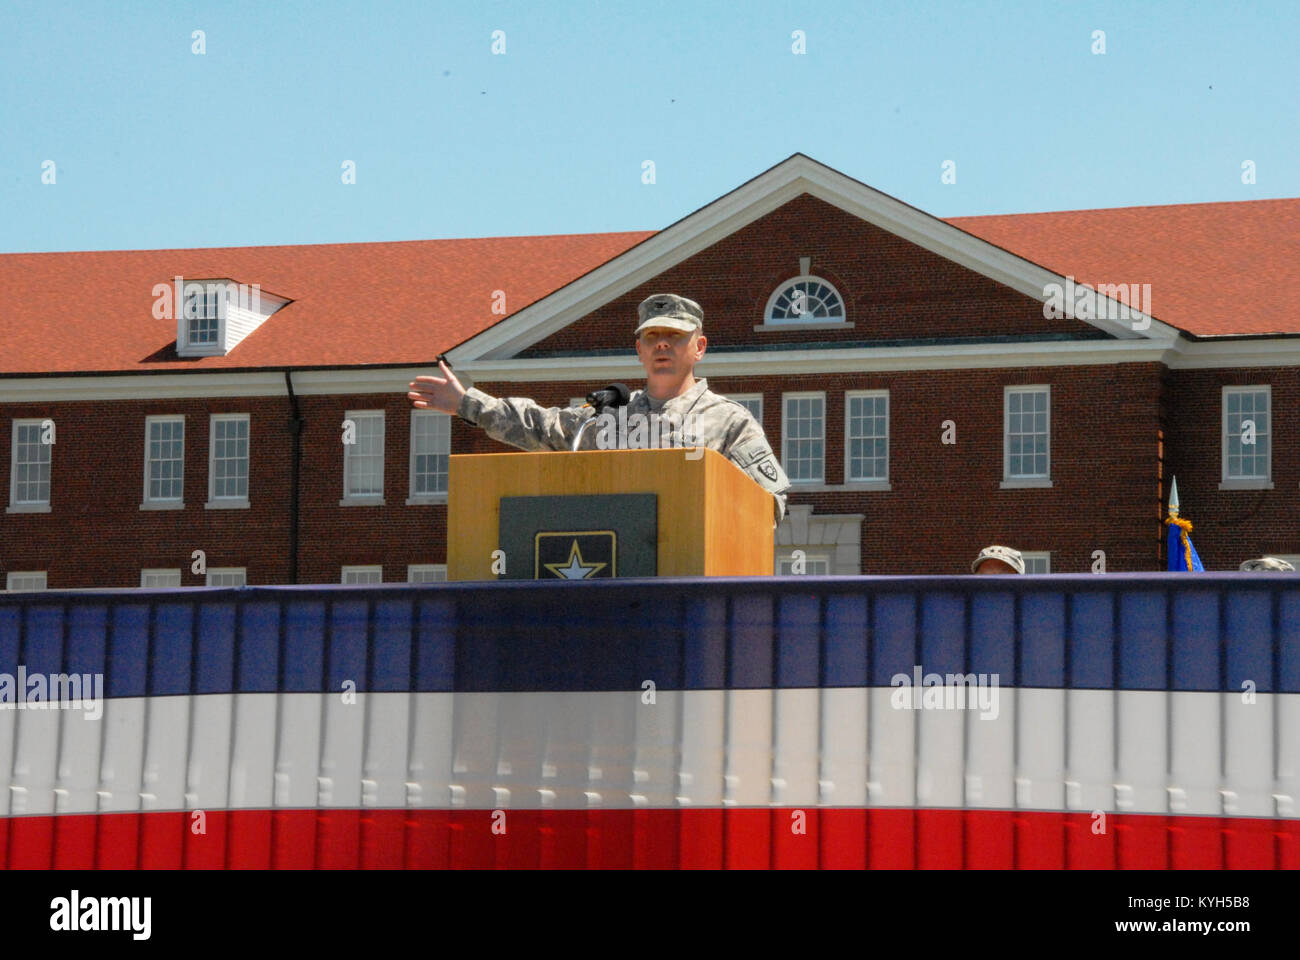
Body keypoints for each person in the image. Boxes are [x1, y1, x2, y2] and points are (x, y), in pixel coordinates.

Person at [407, 293, 791, 523]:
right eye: (652, 336)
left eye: (674, 336)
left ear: (700, 347)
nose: (662, 345)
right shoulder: (607, 416)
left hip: (692, 582)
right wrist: (468, 404)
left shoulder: (729, 421)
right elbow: (541, 426)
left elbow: (769, 505)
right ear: (638, 349)